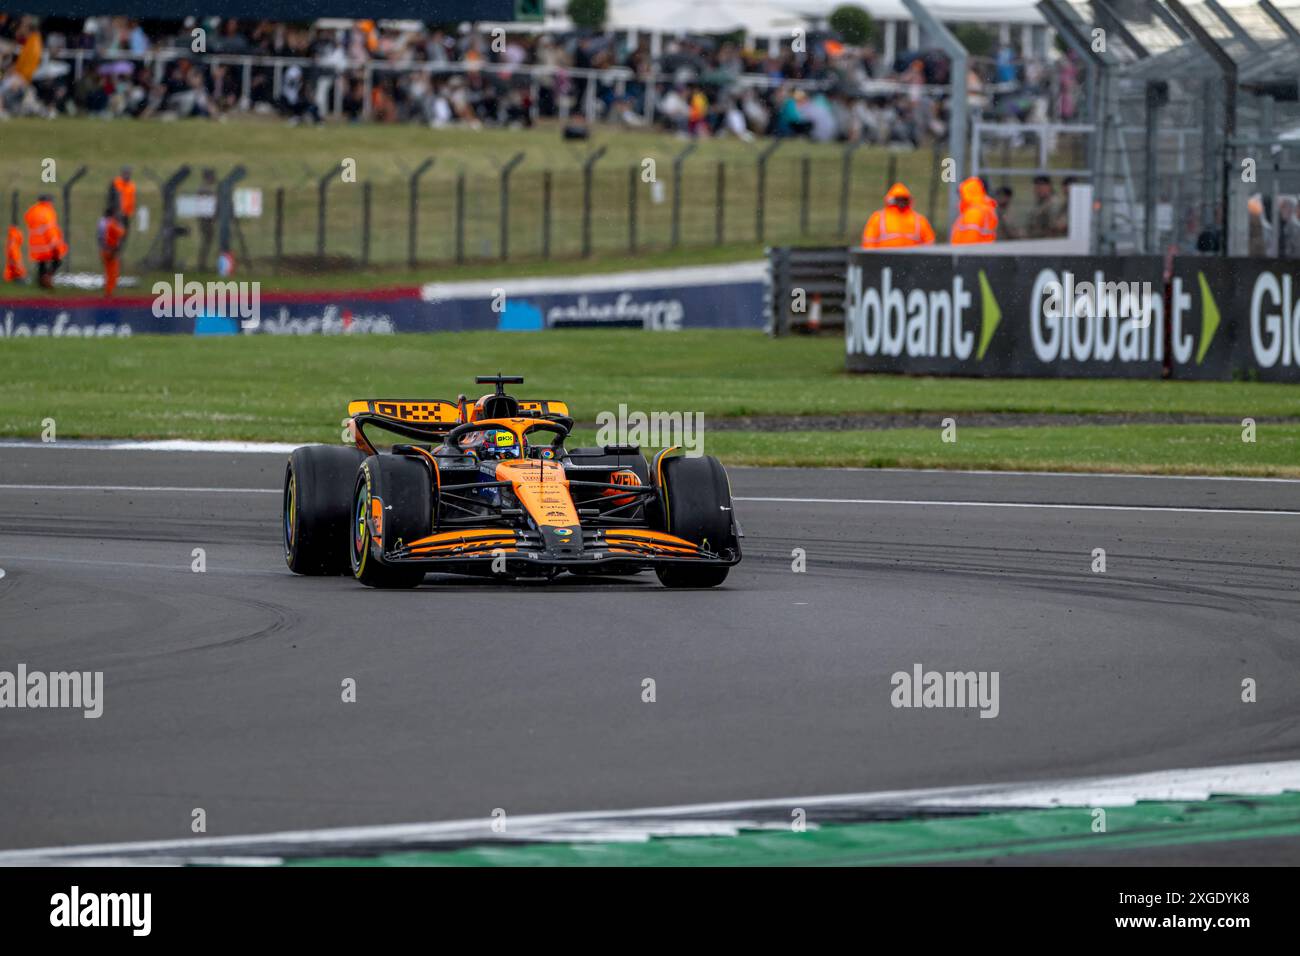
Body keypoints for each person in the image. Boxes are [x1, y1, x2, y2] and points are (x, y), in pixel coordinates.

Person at [861, 182, 936, 249]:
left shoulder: (919, 220)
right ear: (891, 200)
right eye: (898, 199)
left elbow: (929, 243)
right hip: (884, 262)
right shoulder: (878, 218)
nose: (901, 202)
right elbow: (869, 243)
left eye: (904, 199)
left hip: (912, 262)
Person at [23, 194, 67, 289]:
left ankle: (41, 283)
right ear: (48, 201)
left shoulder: (33, 210)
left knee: (41, 263)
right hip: (47, 243)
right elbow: (50, 229)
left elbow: (28, 220)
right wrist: (54, 242)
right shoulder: (47, 211)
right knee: (57, 261)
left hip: (36, 244)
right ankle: (47, 279)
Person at [950, 177, 998, 244]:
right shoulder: (984, 209)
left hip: (968, 253)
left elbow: (970, 241)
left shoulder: (974, 212)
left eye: (961, 193)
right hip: (980, 252)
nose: (960, 198)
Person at [97, 206, 126, 296]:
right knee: (112, 271)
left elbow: (100, 237)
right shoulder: (112, 224)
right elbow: (121, 232)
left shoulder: (101, 222)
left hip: (104, 249)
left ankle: (108, 289)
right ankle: (109, 291)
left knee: (108, 270)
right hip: (110, 249)